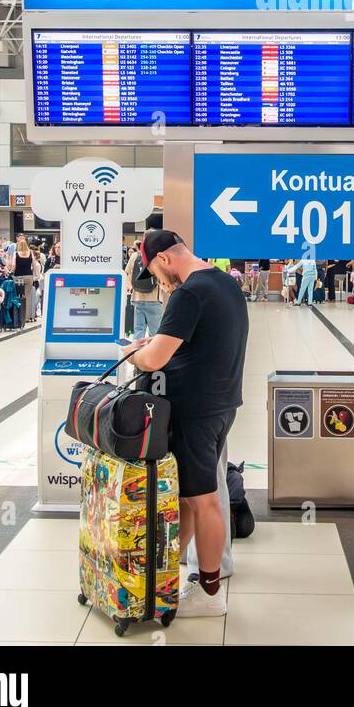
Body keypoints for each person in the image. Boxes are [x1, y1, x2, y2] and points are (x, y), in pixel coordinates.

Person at [129, 230, 249, 620]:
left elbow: (155, 359)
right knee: (187, 497)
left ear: (164, 259)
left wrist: (134, 352)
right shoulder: (224, 283)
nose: (161, 283)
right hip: (221, 404)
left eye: (156, 273)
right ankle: (165, 575)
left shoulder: (190, 292)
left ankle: (211, 592)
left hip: (196, 410)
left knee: (204, 499)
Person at [125, 237, 164, 339]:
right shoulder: (157, 256)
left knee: (138, 331)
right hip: (154, 298)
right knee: (155, 333)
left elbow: (128, 274)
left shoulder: (134, 256)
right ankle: (154, 354)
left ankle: (137, 353)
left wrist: (131, 287)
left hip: (137, 298)